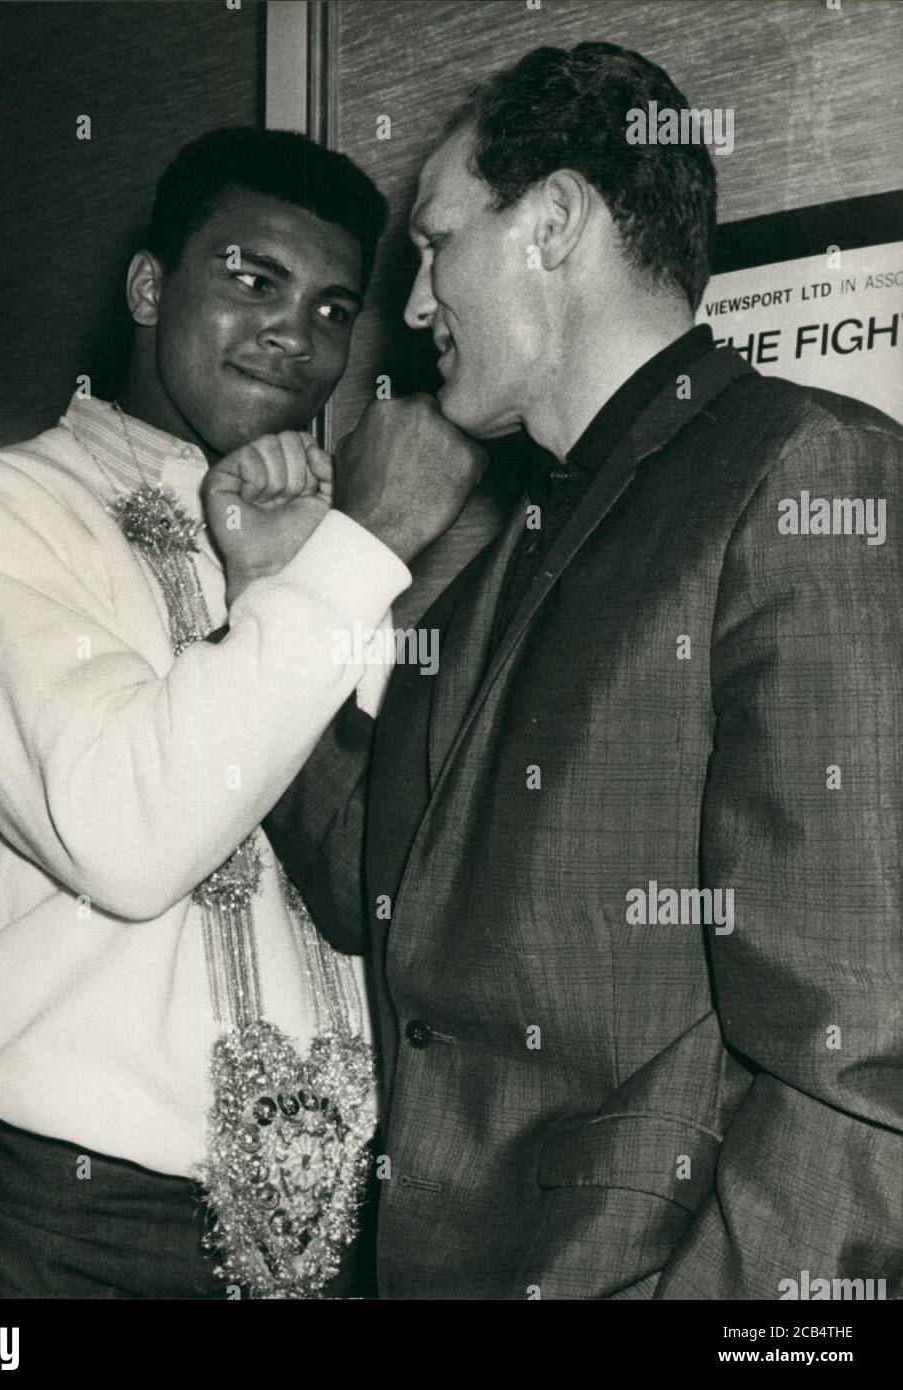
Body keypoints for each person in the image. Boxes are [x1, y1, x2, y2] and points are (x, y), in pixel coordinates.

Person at [266, 44, 903, 1298]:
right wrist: (282, 582)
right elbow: (363, 882)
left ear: (551, 223)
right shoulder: (509, 551)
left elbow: (862, 1058)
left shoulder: (806, 472)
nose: (410, 306)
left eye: (438, 240)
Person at [0, 126, 483, 1299]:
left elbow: (368, 881)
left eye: (332, 307)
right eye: (253, 278)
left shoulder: (312, 552)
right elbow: (130, 833)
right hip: (61, 1233)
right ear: (151, 286)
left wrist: (302, 572)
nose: (295, 335)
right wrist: (358, 550)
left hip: (328, 1248)